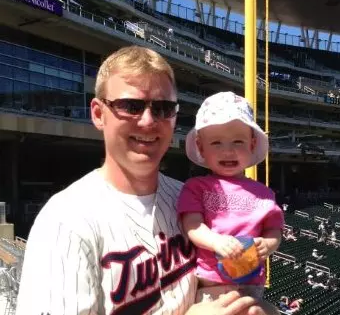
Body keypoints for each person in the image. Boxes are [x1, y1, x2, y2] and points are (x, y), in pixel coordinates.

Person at [16, 46, 277, 315]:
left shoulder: (189, 196)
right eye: (131, 106)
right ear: (97, 113)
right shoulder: (64, 221)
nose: (148, 120)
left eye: (163, 108)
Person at [177, 92, 284, 302]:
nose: (228, 151)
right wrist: (216, 242)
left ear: (252, 145)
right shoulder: (196, 187)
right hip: (210, 283)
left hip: (251, 282)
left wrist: (269, 244)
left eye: (238, 141)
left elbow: (274, 229)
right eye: (216, 143)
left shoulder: (264, 193)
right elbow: (192, 225)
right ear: (201, 147)